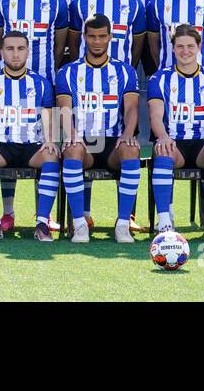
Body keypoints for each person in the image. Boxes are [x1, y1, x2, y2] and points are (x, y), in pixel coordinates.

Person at [0, 0, 69, 233]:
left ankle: (41, 216)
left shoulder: (57, 0)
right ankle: (6, 213)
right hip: (7, 85)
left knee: (44, 145)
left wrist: (45, 74)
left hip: (44, 85)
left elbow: (60, 45)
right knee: (8, 138)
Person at [54, 15, 142, 243]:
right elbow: (63, 109)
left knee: (131, 150)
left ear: (110, 37)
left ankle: (123, 224)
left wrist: (127, 135)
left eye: (102, 36)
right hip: (84, 142)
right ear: (84, 37)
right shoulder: (68, 72)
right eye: (92, 36)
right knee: (72, 149)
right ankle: (80, 224)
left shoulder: (125, 71)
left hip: (113, 141)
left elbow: (132, 108)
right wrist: (72, 135)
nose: (97, 41)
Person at [147, 24, 204, 243]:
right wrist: (163, 137)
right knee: (163, 150)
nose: (185, 51)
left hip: (203, 144)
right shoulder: (159, 79)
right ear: (173, 49)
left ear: (199, 47)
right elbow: (156, 116)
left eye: (190, 46)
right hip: (174, 143)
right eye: (180, 46)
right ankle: (165, 222)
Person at [0, 30, 61, 243]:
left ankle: (42, 223)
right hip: (1, 146)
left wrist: (50, 140)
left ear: (28, 52)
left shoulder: (41, 83)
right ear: (1, 52)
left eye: (21, 49)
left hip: (32, 146)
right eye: (10, 49)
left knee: (51, 156)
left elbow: (48, 119)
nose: (15, 54)